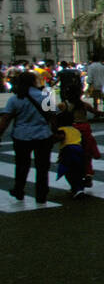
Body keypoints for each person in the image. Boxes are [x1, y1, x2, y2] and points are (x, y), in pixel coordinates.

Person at [0, 72, 55, 204]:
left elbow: (6, 119)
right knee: (42, 166)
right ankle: (41, 193)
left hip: (21, 135)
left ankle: (19, 189)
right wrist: (55, 131)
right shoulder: (44, 96)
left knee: (22, 165)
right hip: (43, 134)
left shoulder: (15, 99)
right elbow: (52, 116)